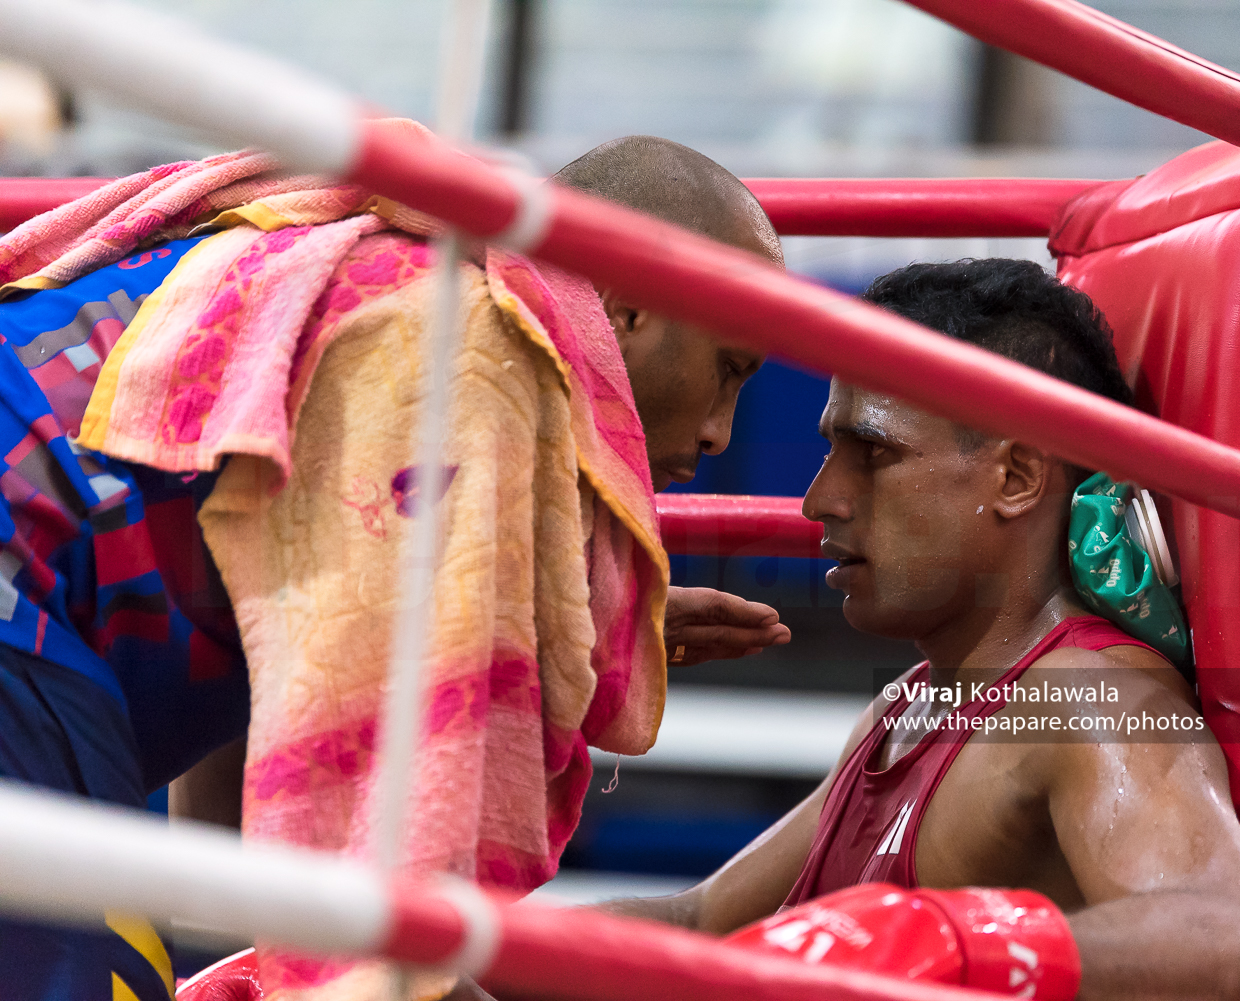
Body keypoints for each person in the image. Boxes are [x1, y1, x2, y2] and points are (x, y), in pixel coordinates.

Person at [0, 134, 788, 1000]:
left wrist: (524, 611)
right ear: (630, 309)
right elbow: (388, 912)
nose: (719, 430)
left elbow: (247, 839)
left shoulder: (366, 266)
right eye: (730, 368)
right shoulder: (465, 352)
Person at [597, 258, 1240, 1001]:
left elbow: (1238, 939)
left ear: (1017, 477)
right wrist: (481, 946)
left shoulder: (1091, 697)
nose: (821, 498)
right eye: (833, 450)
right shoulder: (909, 703)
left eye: (874, 454)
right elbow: (701, 919)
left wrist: (952, 941)